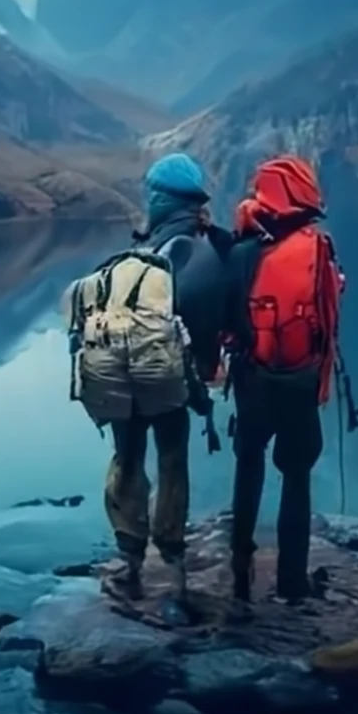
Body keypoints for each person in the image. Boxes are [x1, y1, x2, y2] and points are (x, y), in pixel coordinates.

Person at [103, 152, 230, 602]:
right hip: (177, 382)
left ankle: (130, 563)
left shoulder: (138, 255)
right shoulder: (214, 249)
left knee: (128, 461)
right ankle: (174, 570)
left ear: (160, 198)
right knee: (173, 462)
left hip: (125, 378)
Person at [222, 156, 344, 604]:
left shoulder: (240, 251)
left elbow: (228, 322)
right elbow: (329, 320)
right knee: (296, 476)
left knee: (248, 461)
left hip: (252, 377)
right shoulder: (317, 248)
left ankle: (241, 562)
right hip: (299, 380)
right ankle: (292, 584)